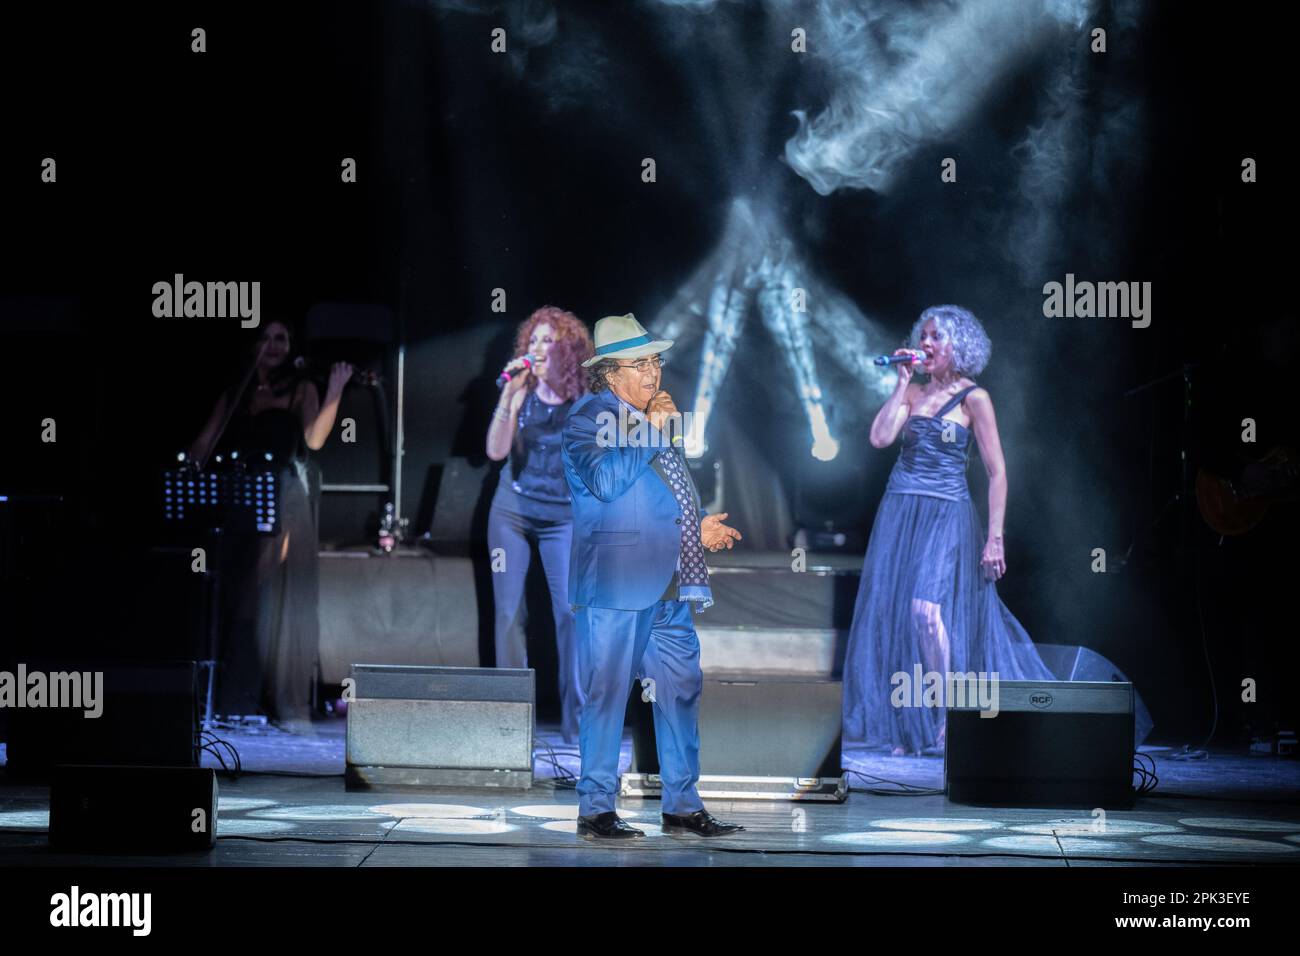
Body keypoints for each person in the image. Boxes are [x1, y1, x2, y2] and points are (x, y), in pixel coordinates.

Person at [562, 313, 744, 840]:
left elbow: (660, 491)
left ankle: (682, 805)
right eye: (639, 363)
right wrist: (651, 427)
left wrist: (697, 521)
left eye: (655, 360)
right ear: (608, 373)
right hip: (615, 584)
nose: (652, 372)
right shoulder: (589, 415)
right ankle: (596, 808)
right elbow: (607, 481)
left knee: (680, 691)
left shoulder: (649, 414)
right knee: (607, 694)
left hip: (669, 582)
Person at [842, 305, 1054, 756]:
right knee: (901, 619)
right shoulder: (914, 393)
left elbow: (998, 472)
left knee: (925, 612)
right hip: (901, 509)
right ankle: (912, 728)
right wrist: (900, 384)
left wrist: (995, 537)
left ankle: (947, 717)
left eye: (936, 336)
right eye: (924, 335)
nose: (926, 343)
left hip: (945, 514)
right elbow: (880, 438)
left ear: (957, 345)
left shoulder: (974, 397)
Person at [189, 320, 352, 727]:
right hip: (236, 495)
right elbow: (207, 440)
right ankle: (228, 700)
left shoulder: (299, 388)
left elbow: (314, 441)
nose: (274, 345)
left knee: (261, 594)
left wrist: (335, 390)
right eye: (266, 337)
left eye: (282, 337)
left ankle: (264, 701)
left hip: (281, 495)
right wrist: (188, 470)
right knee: (232, 595)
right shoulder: (239, 389)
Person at [486, 306, 593, 743]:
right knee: (510, 613)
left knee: (569, 613)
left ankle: (578, 724)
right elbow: (495, 452)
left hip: (563, 516)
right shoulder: (517, 388)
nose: (537, 348)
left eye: (547, 341)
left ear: (566, 348)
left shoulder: (583, 395)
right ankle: (510, 723)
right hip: (511, 509)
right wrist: (509, 399)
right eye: (533, 341)